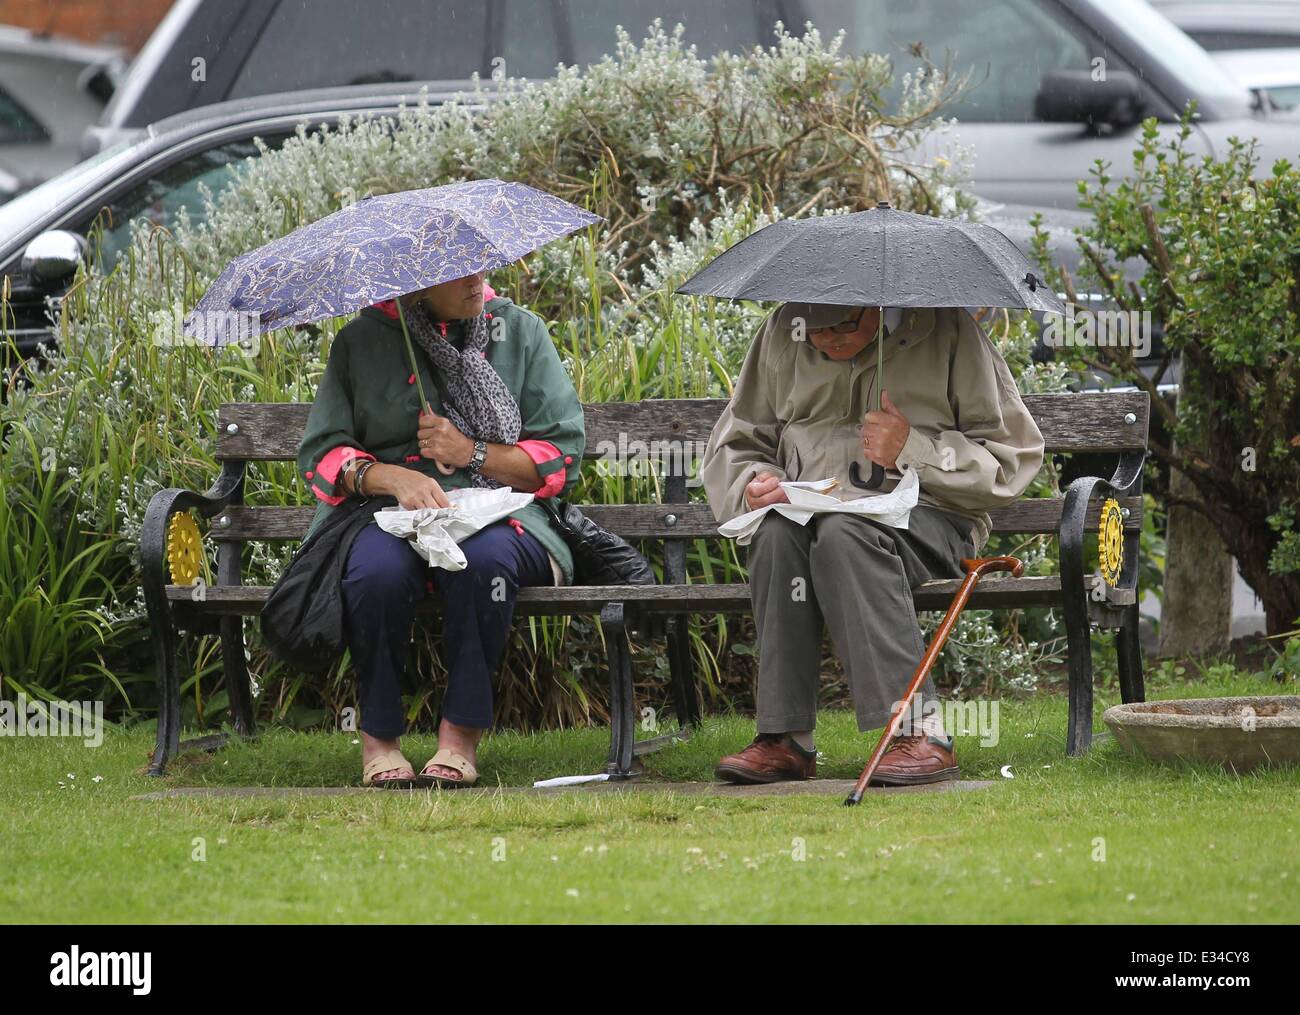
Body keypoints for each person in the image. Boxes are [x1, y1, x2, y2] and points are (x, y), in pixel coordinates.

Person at [700, 302, 1044, 785]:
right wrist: (757, 481)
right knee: (777, 533)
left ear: (878, 307)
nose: (827, 340)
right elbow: (739, 444)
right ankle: (786, 739)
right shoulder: (782, 329)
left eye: (843, 325)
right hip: (809, 515)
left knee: (846, 534)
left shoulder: (949, 331)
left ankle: (920, 732)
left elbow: (1009, 460)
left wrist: (913, 449)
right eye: (814, 331)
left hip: (931, 520)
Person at [297, 273, 584, 788]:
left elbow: (561, 456)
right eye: (460, 274)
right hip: (385, 513)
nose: (478, 282)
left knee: (484, 564)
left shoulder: (518, 332)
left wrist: (471, 453)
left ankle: (459, 737)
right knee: (375, 574)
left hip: (504, 512)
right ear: (418, 284)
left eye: (483, 267)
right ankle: (380, 739)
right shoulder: (361, 340)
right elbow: (322, 454)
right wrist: (390, 476)